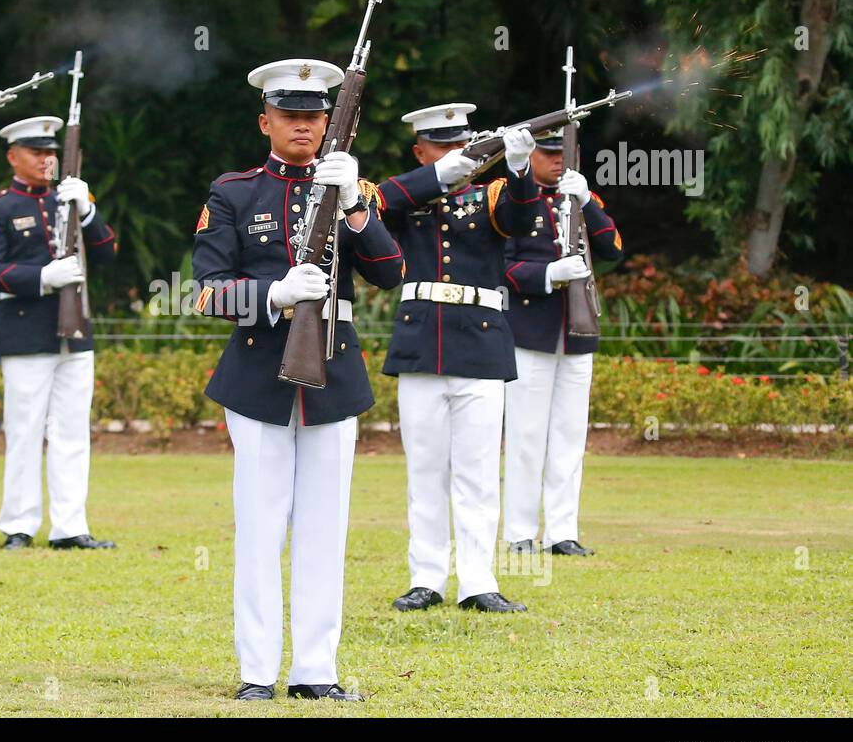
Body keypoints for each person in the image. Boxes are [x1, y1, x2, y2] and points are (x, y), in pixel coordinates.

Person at [193, 59, 403, 701]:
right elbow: (206, 295)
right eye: (290, 115)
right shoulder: (234, 192)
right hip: (258, 375)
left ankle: (317, 671)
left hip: (334, 373)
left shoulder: (349, 189)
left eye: (314, 116)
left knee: (324, 528)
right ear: (266, 121)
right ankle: (257, 671)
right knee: (259, 527)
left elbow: (392, 272)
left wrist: (357, 208)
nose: (304, 126)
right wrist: (274, 294)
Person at [378, 103, 538, 614]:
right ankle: (426, 577)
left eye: (460, 143)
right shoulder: (410, 195)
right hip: (422, 343)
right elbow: (376, 205)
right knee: (425, 472)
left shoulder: (490, 194)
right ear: (420, 151)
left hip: (480, 343)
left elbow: (522, 219)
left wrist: (518, 169)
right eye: (441, 145)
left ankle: (478, 580)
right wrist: (434, 177)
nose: (455, 153)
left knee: (475, 472)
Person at [0, 116, 118, 551]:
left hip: (75, 332)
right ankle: (18, 523)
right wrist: (42, 277)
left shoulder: (71, 198)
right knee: (25, 431)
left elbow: (107, 251)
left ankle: (70, 525)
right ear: (13, 156)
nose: (46, 159)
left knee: (72, 430)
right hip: (25, 332)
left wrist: (87, 211)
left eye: (51, 152)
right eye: (36, 152)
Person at [502, 130, 625, 556]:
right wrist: (548, 275)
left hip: (576, 331)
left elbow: (611, 248)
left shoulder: (577, 196)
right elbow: (503, 266)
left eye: (563, 154)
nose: (557, 161)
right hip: (530, 330)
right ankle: (519, 531)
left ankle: (562, 531)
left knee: (570, 434)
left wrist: (588, 202)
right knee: (526, 435)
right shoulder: (513, 200)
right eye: (548, 153)